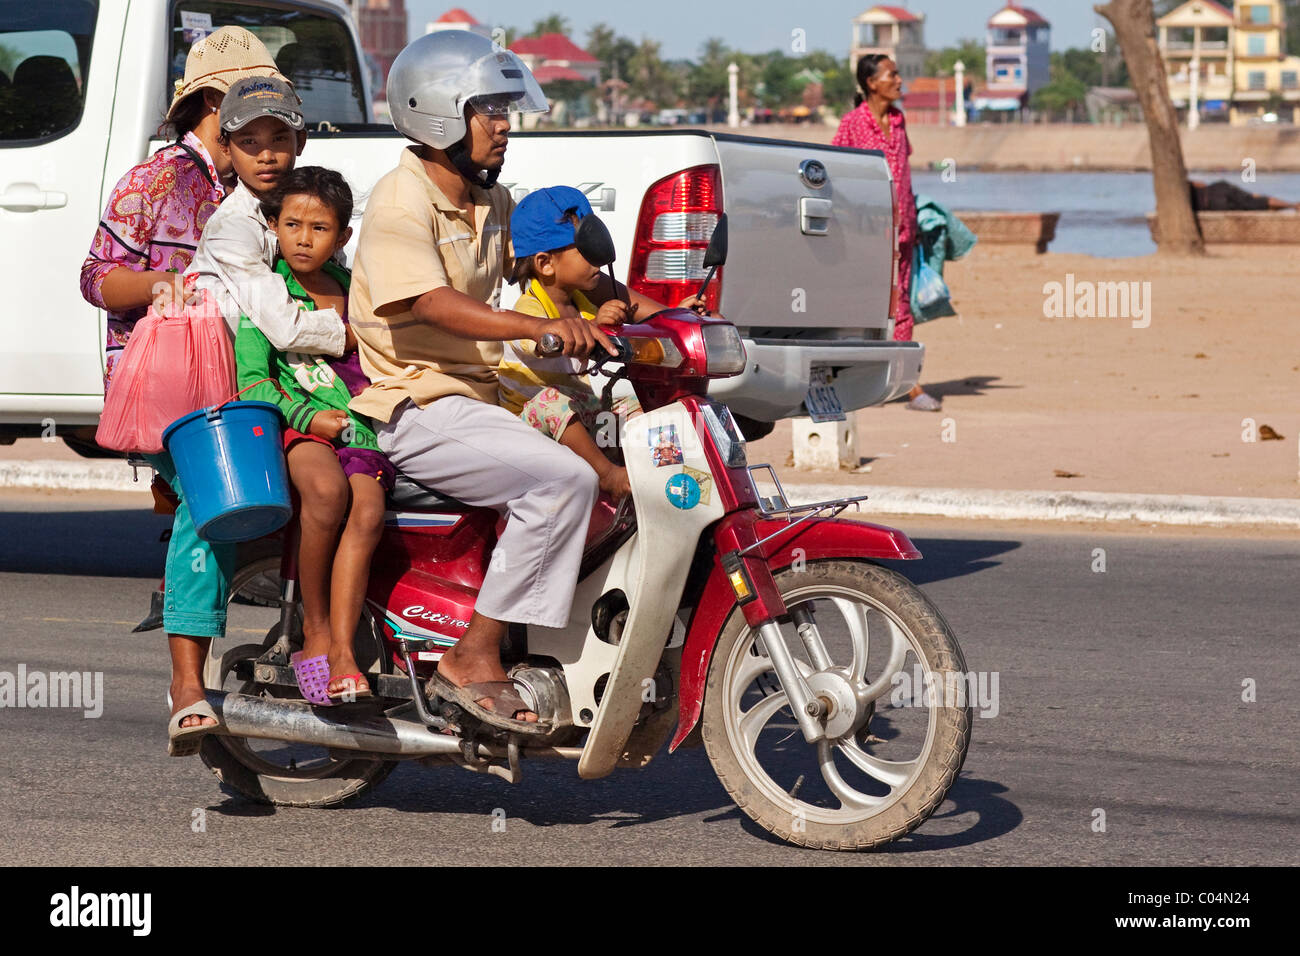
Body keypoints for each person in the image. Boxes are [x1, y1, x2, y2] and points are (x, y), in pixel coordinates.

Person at [348, 31, 672, 732]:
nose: (503, 125)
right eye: (486, 109)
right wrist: (532, 329)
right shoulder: (398, 202)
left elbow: (547, 269)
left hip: (483, 397)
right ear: (438, 115)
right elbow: (430, 302)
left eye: (504, 109)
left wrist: (663, 318)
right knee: (564, 481)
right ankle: (474, 656)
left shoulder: (488, 202)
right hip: (418, 399)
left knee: (633, 467)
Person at [78, 26, 293, 755]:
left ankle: (321, 683)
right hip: (174, 387)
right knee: (217, 505)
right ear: (211, 100)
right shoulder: (156, 180)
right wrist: (174, 286)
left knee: (324, 511)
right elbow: (96, 278)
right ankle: (188, 689)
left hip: (255, 377)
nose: (269, 141)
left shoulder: (269, 181)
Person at [235, 167, 392, 703]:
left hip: (359, 427)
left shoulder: (354, 292)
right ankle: (317, 629)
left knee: (368, 510)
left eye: (320, 228)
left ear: (343, 237)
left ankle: (346, 652)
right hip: (298, 430)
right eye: (292, 224)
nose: (304, 237)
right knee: (326, 494)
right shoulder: (268, 292)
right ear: (273, 226)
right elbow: (253, 382)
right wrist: (306, 419)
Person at [498, 187, 703, 501]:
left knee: (637, 410)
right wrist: (591, 328)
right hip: (530, 417)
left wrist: (676, 316)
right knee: (551, 402)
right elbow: (536, 343)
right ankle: (608, 475)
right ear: (545, 263)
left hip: (579, 406)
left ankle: (670, 477)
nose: (596, 258)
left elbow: (630, 322)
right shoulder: (531, 309)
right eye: (584, 250)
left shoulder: (581, 302)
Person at [833, 54, 940, 412]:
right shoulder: (851, 123)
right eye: (892, 74)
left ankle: (907, 385)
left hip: (903, 231)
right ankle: (862, 381)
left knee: (902, 306)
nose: (899, 80)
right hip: (866, 233)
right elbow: (835, 173)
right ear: (871, 83)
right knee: (864, 306)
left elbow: (904, 169)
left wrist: (914, 219)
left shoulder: (898, 119)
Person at [1189, 179, 1298, 212]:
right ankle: (1291, 205)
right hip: (1218, 189)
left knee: (1254, 203)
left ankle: (1292, 205)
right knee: (1253, 200)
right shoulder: (1184, 184)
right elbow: (1201, 184)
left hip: (1214, 203)